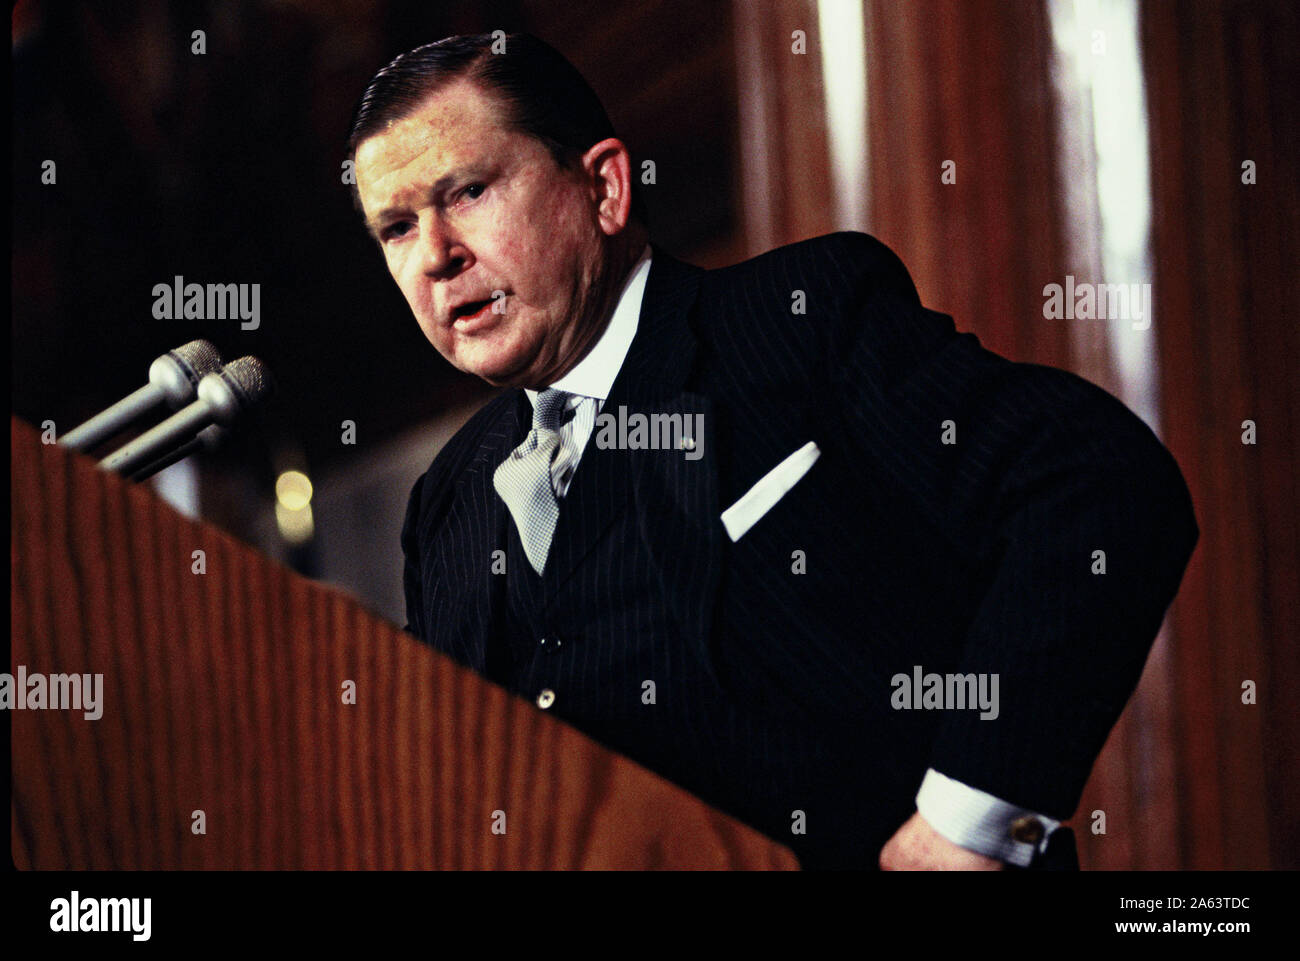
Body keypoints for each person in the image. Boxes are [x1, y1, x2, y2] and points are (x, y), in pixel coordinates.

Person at [348, 32, 1197, 870]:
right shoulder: (447, 501)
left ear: (604, 187)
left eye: (467, 193)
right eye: (394, 227)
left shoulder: (802, 325)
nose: (434, 257)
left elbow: (1103, 487)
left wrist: (966, 823)